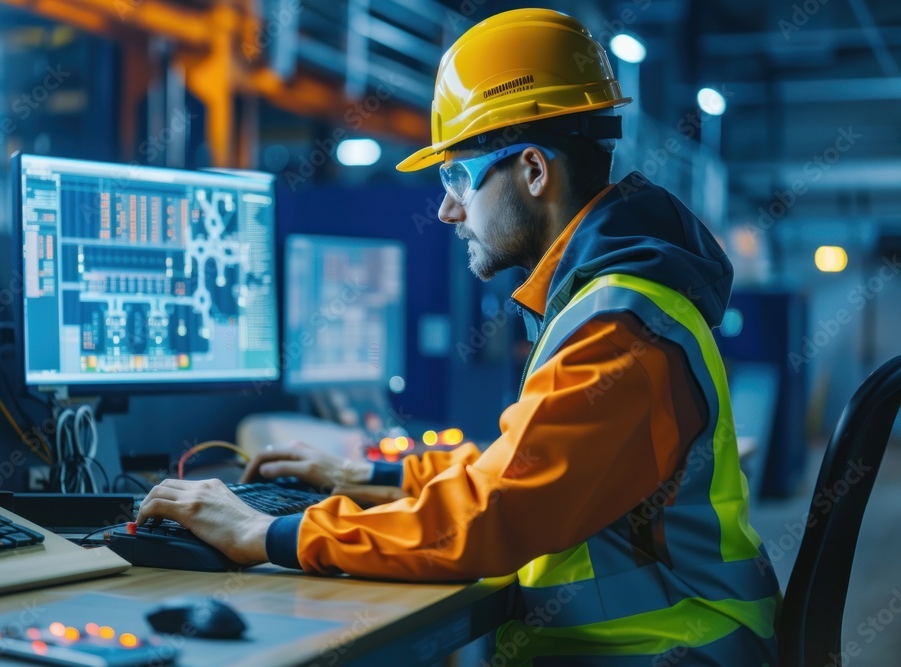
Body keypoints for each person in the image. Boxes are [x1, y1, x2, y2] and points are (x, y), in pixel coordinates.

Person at [137, 8, 780, 665]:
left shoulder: (619, 326)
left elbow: (493, 514)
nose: (447, 208)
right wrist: (367, 473)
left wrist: (264, 530)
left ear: (533, 170)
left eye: (457, 177)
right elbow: (518, 469)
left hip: (670, 650)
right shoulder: (605, 299)